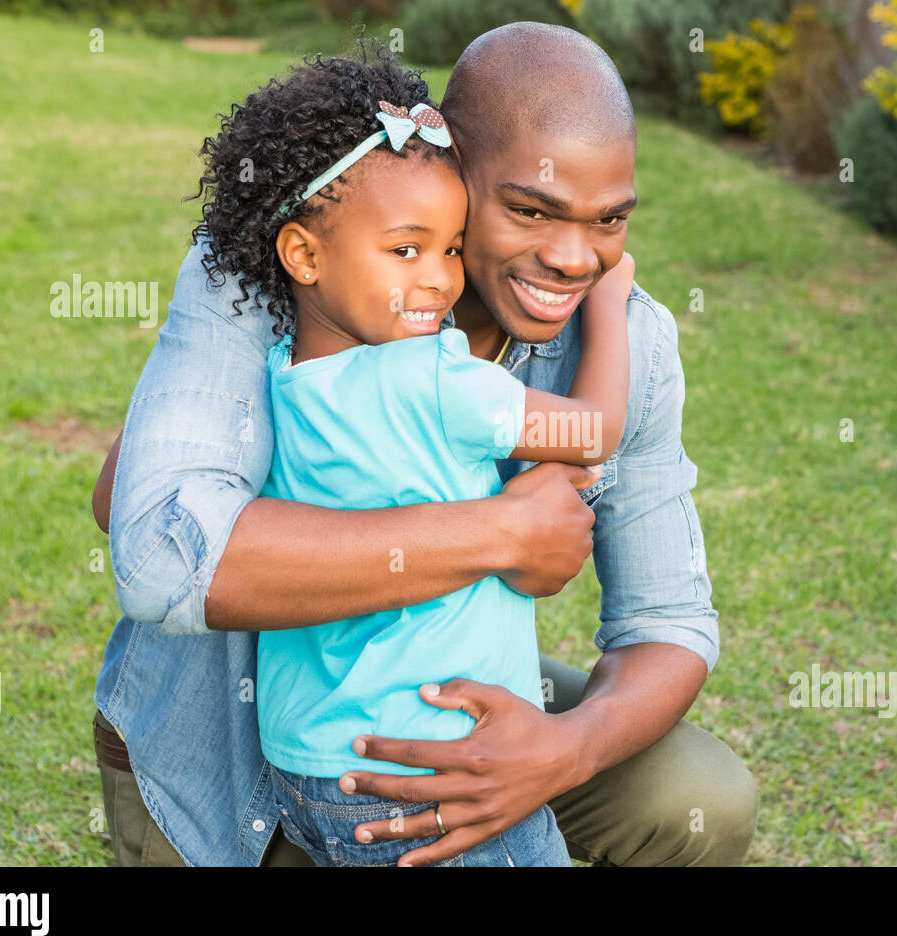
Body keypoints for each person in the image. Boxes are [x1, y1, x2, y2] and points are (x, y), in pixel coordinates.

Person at [92, 22, 758, 868]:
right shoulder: (281, 261)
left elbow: (668, 621)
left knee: (699, 799)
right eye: (528, 209)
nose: (570, 258)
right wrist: (501, 533)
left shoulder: (623, 339)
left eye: (609, 222)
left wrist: (565, 749)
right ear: (447, 166)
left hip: (421, 702)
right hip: (223, 749)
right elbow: (153, 541)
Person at [193, 48, 633, 865]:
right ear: (304, 255)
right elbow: (592, 430)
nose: (437, 282)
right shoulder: (432, 374)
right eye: (407, 251)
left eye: (452, 250)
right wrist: (611, 307)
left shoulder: (276, 377)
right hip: (436, 759)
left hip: (310, 761)